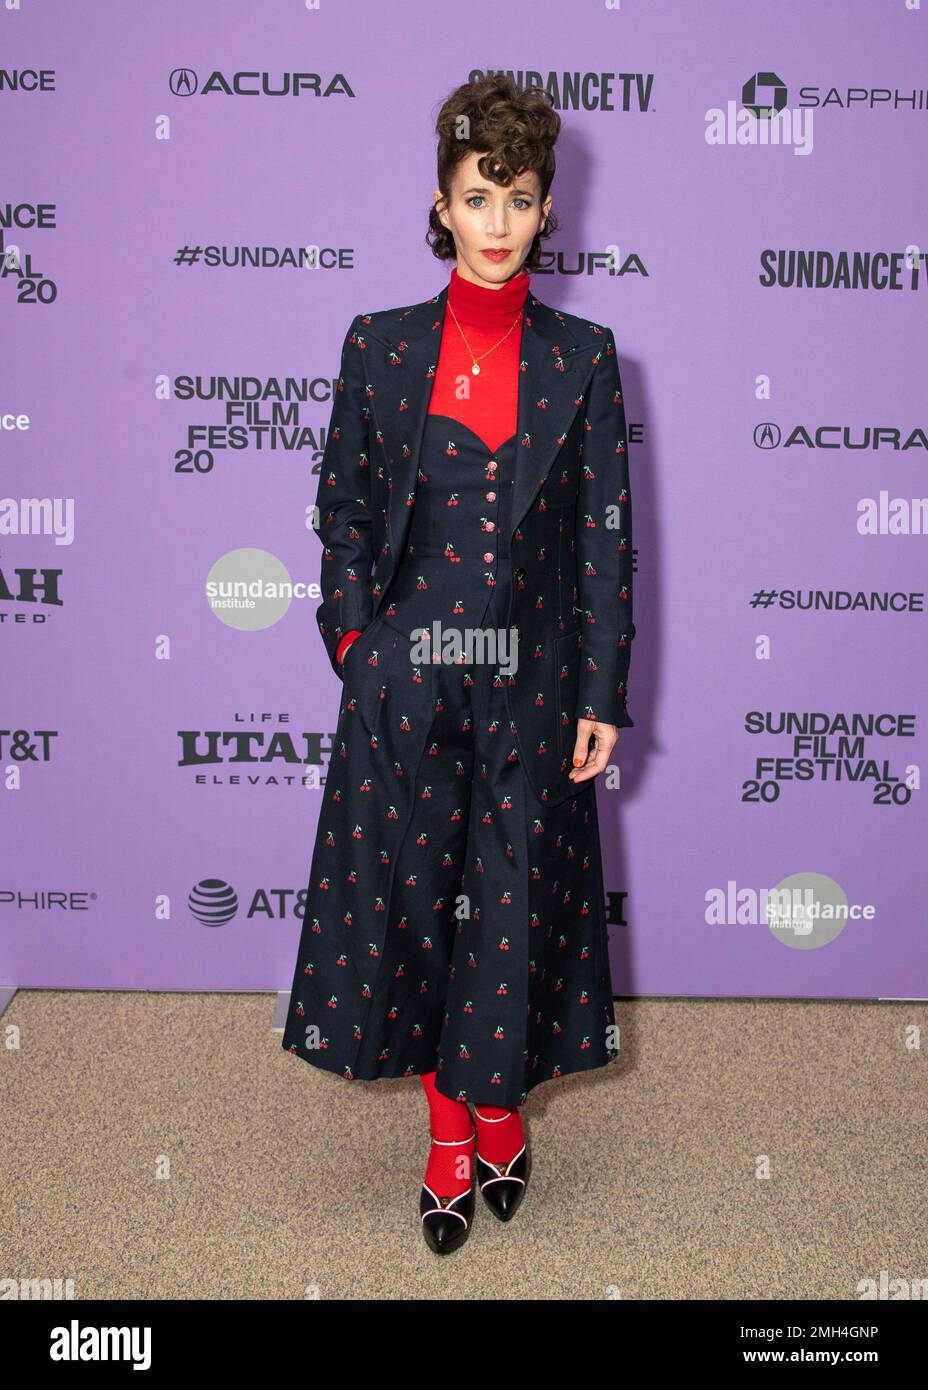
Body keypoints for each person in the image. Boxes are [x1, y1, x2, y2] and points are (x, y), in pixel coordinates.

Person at [282, 73, 635, 1255]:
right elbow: (340, 513)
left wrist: (600, 696)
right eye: (478, 195)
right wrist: (351, 643)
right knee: (419, 921)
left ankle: (500, 1115)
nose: (496, 222)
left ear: (545, 214)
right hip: (406, 685)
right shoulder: (379, 349)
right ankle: (447, 1141)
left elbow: (602, 540)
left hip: (534, 697)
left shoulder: (585, 357)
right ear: (439, 203)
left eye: (519, 199)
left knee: (512, 924)